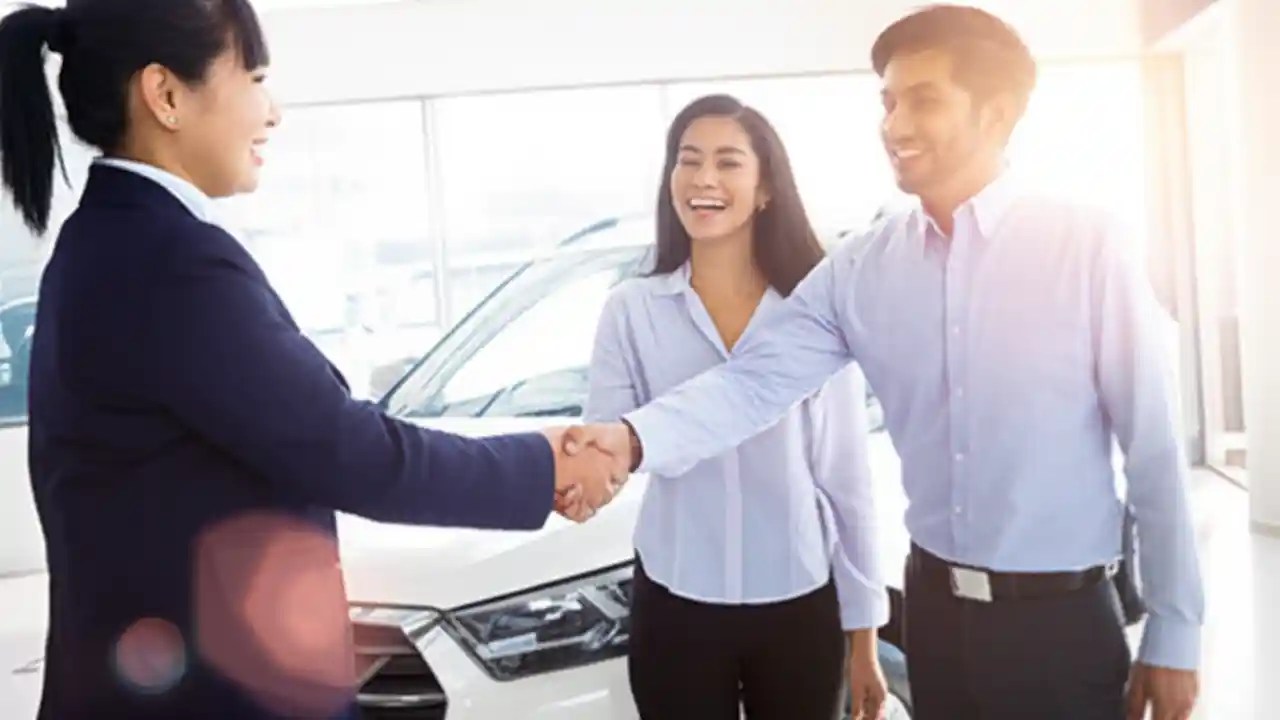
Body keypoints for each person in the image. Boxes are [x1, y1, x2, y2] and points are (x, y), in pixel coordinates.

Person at [566, 6, 1204, 720]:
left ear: (996, 113)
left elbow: (1153, 448)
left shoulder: (1086, 246)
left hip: (1059, 620)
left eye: (922, 100)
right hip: (932, 617)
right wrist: (628, 439)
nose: (895, 126)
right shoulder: (861, 268)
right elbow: (751, 385)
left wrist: (1177, 629)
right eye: (889, 102)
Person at [0, 2, 621, 719]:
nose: (274, 111)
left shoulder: (117, 242)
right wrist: (546, 466)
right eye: (255, 78)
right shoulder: (165, 261)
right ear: (166, 96)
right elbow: (349, 451)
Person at [585, 94, 887, 720]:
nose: (704, 180)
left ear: (765, 187)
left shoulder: (812, 315)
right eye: (688, 160)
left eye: (728, 163)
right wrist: (571, 477)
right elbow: (605, 448)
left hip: (798, 600)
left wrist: (864, 638)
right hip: (675, 599)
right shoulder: (631, 310)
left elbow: (846, 480)